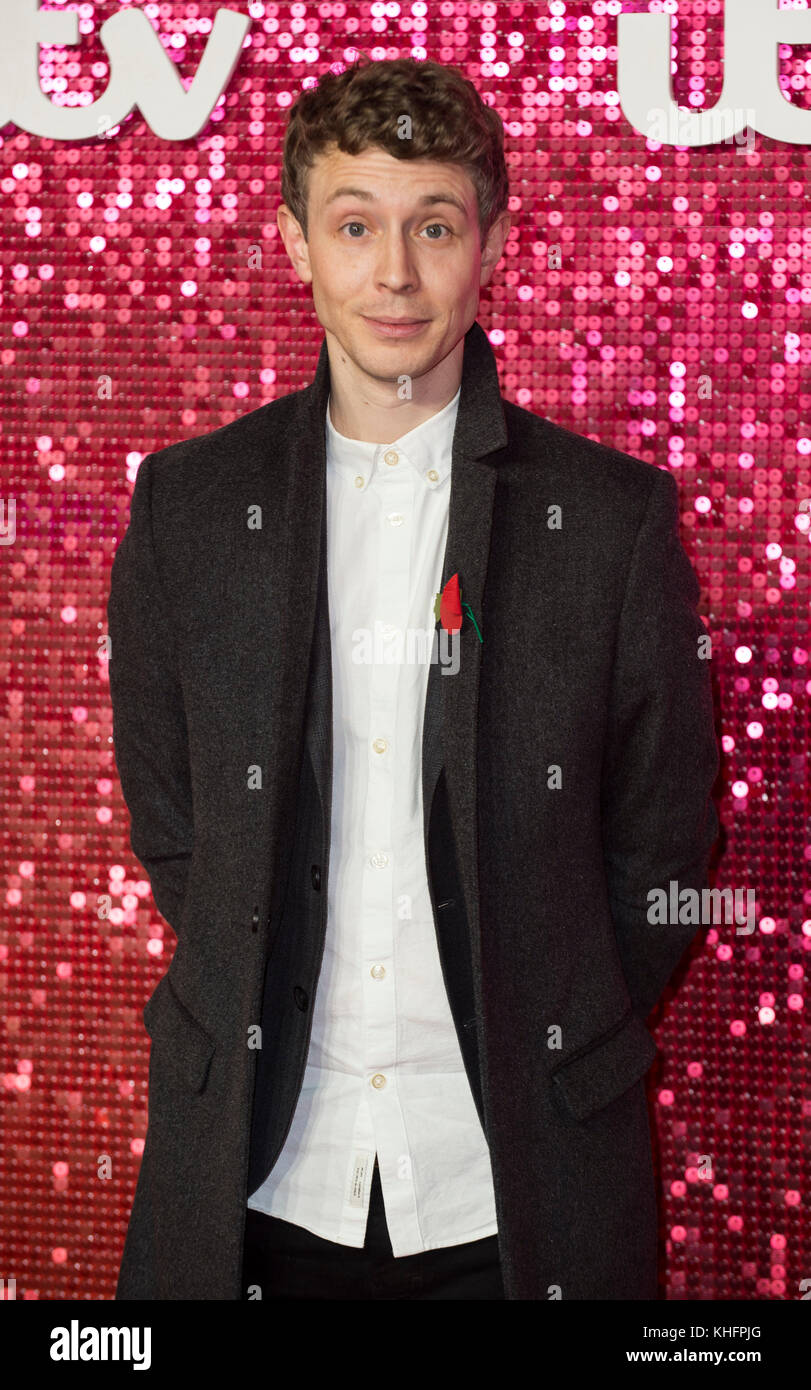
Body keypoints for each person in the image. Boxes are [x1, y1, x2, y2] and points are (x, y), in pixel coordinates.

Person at [108, 55, 720, 1301]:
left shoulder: (609, 522)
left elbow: (666, 847)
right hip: (258, 1176)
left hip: (512, 1187)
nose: (394, 274)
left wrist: (550, 1001)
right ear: (296, 246)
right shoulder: (187, 505)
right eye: (355, 226)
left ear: (490, 242)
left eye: (433, 226)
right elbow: (176, 827)